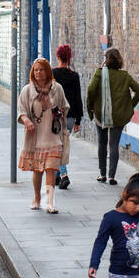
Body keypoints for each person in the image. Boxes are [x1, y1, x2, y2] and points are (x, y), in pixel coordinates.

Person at [16, 58, 69, 213]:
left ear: (47, 71)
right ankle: (37, 198)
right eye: (36, 70)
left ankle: (50, 202)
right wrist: (26, 120)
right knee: (37, 170)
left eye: (41, 69)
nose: (38, 73)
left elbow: (65, 106)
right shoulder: (28, 90)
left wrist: (59, 112)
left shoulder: (57, 89)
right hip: (35, 138)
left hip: (52, 136)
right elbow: (21, 110)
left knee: (51, 169)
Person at [86, 47, 139, 185]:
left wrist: (91, 108)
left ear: (106, 60)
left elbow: (90, 91)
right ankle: (112, 176)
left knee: (102, 143)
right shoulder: (124, 76)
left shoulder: (99, 74)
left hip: (101, 113)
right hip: (119, 115)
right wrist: (129, 105)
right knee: (114, 144)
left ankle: (102, 174)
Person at [51, 44, 84, 189]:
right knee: (62, 143)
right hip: (70, 116)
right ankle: (58, 176)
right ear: (70, 57)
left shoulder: (52, 74)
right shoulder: (74, 76)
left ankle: (63, 174)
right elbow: (78, 98)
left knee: (57, 144)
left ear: (58, 56)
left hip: (55, 115)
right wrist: (78, 120)